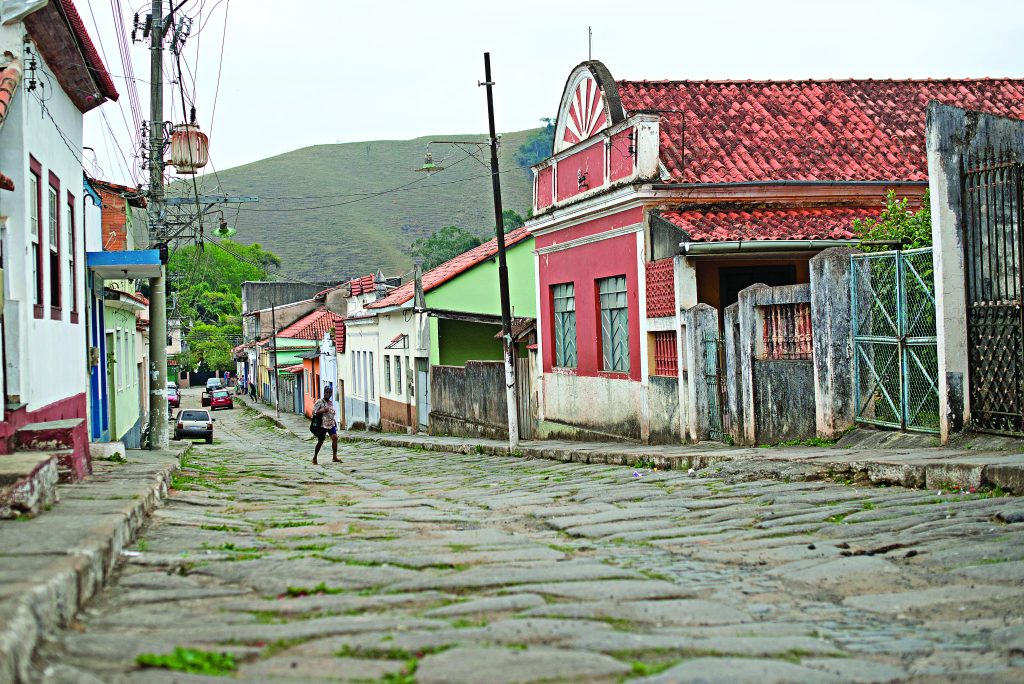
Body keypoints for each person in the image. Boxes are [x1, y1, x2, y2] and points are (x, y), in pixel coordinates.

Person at [311, 385, 340, 465]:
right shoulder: (319, 402)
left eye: (330, 393)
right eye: (326, 392)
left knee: (335, 438)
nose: (328, 394)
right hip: (322, 425)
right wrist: (323, 410)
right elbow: (314, 412)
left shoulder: (330, 403)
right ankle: (315, 457)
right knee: (320, 441)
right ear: (324, 393)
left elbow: (330, 413)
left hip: (331, 424)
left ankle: (334, 457)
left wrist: (334, 421)